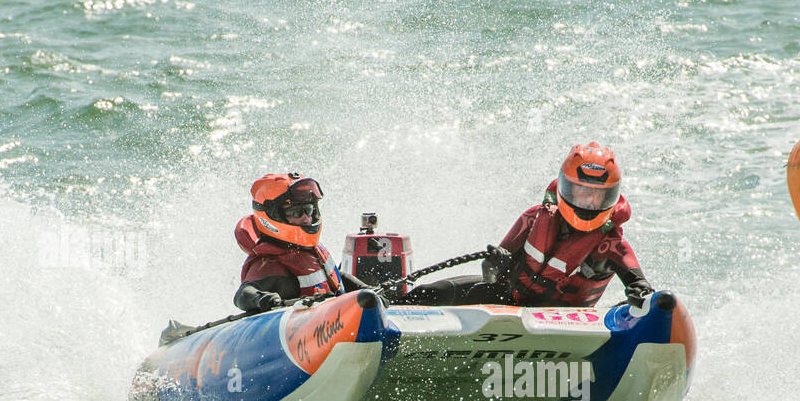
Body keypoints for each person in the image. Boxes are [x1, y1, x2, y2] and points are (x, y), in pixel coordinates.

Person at [405, 142, 655, 308]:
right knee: (429, 294)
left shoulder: (611, 244)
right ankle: (380, 303)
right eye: (580, 192)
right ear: (565, 187)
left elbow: (640, 286)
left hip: (566, 322)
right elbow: (491, 276)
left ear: (611, 197)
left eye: (596, 195)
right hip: (508, 304)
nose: (588, 202)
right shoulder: (534, 218)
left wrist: (642, 298)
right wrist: (496, 263)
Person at [233, 172, 367, 313]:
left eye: (308, 210)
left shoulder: (310, 250)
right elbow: (242, 295)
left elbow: (336, 277)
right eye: (296, 213)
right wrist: (262, 299)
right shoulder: (268, 263)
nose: (306, 219)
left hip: (334, 320)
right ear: (273, 216)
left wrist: (367, 290)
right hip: (301, 328)